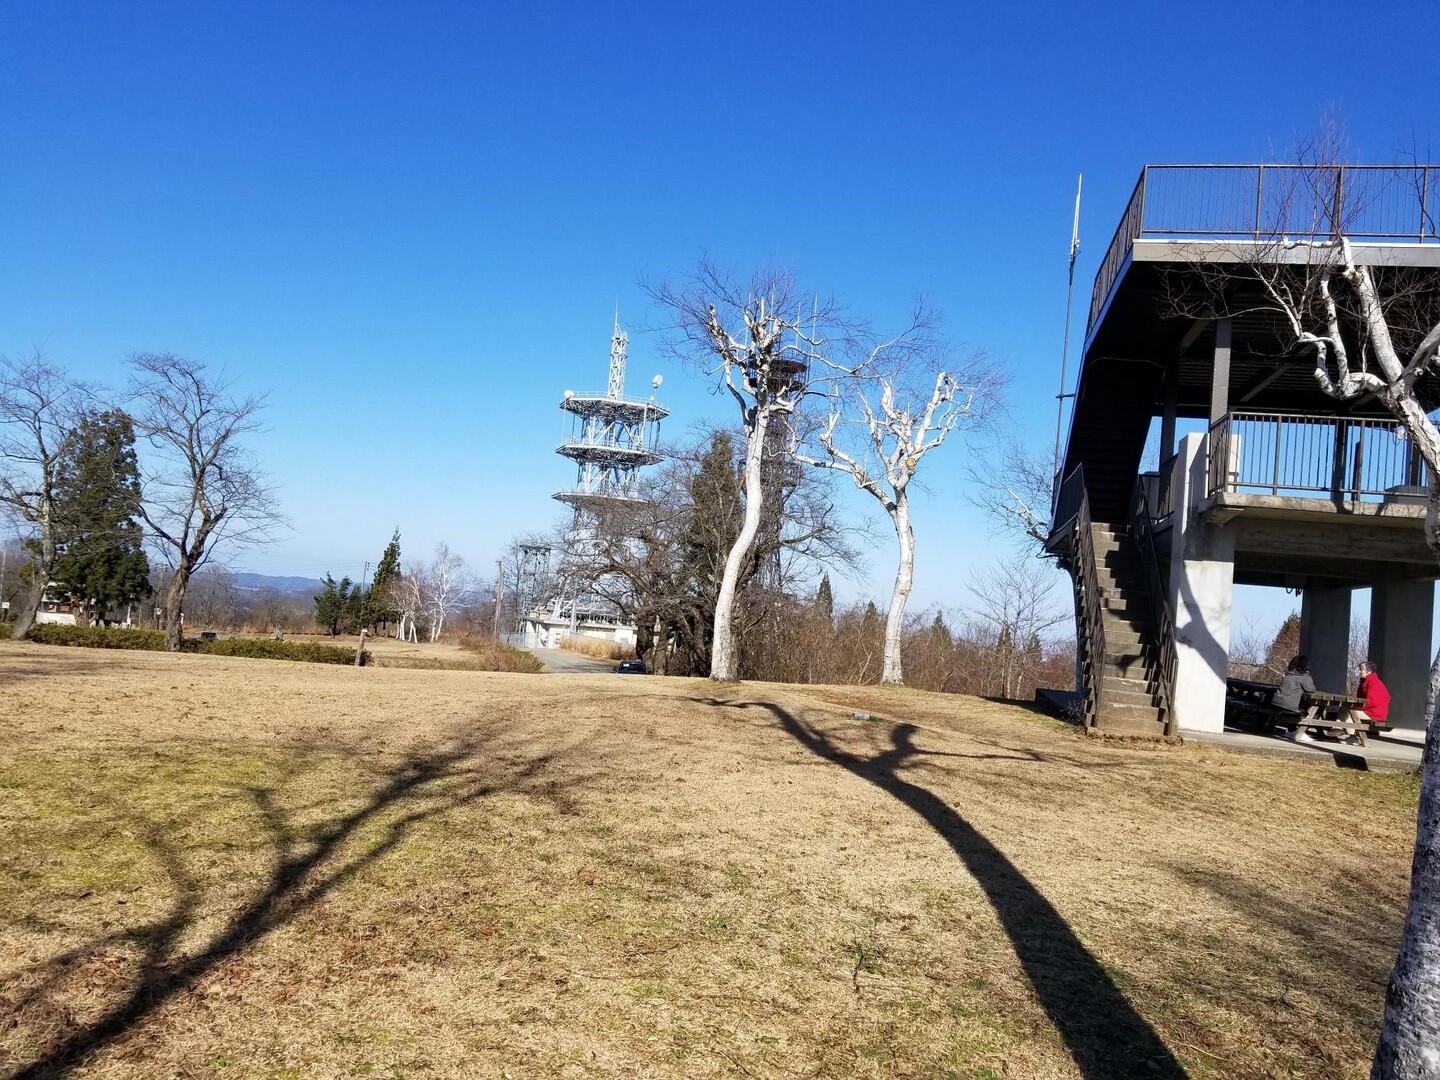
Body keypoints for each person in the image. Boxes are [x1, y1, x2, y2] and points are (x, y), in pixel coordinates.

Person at [1336, 659, 1390, 744]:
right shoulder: (1365, 682)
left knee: (1350, 713)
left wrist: (1358, 708)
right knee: (1345, 707)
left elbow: (1372, 702)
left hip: (1374, 713)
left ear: (1369, 671)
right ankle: (1338, 727)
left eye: (1361, 669)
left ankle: (1352, 736)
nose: (1359, 671)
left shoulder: (1373, 683)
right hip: (1368, 710)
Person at [1273, 655, 1317, 741]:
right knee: (1307, 707)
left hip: (1276, 704)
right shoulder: (1303, 677)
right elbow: (1311, 689)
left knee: (1297, 703)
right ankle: (1299, 732)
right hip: (1289, 707)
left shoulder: (1288, 674)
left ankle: (1291, 730)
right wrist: (1308, 675)